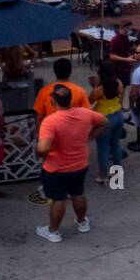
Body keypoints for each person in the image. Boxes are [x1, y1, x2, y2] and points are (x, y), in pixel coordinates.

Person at [33, 86, 103, 244]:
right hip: (80, 164)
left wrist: (43, 155)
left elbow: (43, 148)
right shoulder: (85, 113)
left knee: (59, 199)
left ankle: (53, 231)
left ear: (53, 101)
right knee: (78, 193)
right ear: (70, 99)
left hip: (57, 168)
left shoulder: (50, 121)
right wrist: (88, 138)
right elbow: (103, 122)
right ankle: (82, 222)